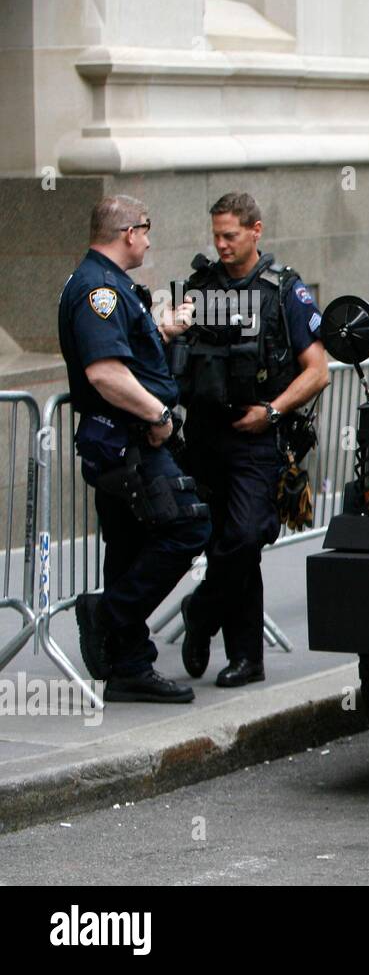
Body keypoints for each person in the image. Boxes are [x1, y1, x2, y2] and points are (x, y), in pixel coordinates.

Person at [60, 195, 210, 703]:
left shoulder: (109, 286)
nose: (149, 239)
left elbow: (125, 351)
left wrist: (162, 328)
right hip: (131, 440)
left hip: (120, 442)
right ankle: (109, 613)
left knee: (127, 548)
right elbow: (104, 372)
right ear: (128, 232)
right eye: (146, 229)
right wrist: (159, 415)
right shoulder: (99, 289)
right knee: (190, 526)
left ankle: (128, 665)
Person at [175, 192, 328, 687]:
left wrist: (273, 410)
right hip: (205, 438)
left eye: (230, 235)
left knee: (244, 536)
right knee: (229, 544)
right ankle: (247, 658)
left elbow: (318, 371)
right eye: (216, 235)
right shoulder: (202, 288)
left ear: (255, 231)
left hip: (258, 437)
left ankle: (200, 612)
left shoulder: (284, 290)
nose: (220, 244)